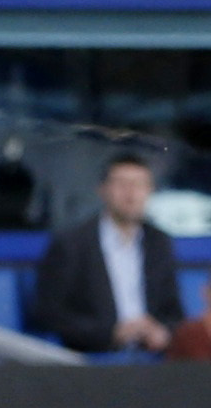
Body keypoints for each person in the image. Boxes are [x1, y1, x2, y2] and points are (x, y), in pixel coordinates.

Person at [26, 151, 185, 353]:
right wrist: (110, 334)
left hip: (152, 356)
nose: (131, 194)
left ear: (150, 190)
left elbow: (175, 312)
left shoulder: (159, 242)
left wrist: (162, 332)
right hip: (95, 359)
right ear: (103, 189)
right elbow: (49, 313)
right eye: (122, 184)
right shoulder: (72, 244)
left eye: (139, 184)